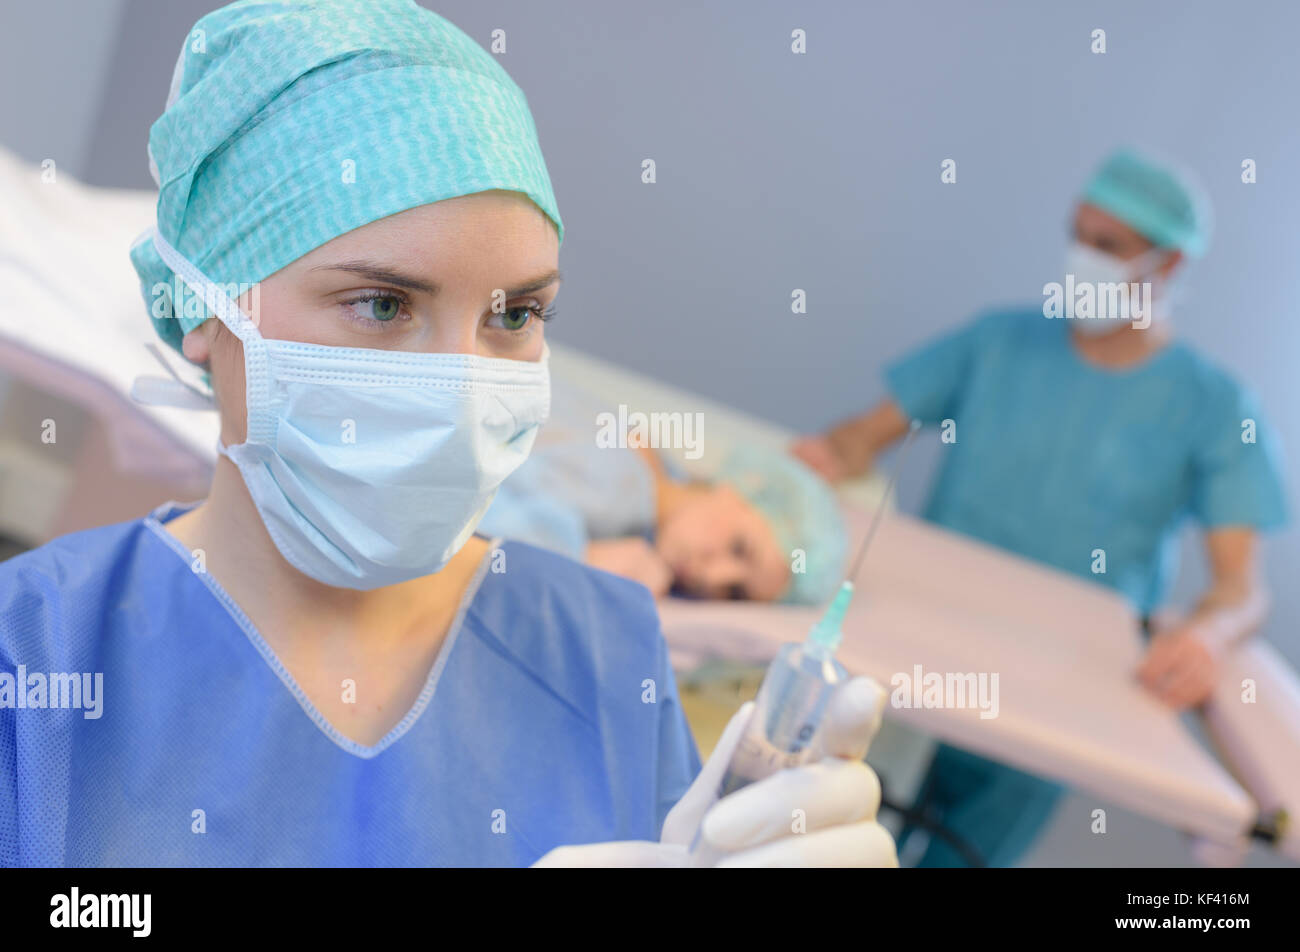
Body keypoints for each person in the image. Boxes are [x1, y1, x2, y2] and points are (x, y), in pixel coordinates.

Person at [0, 0, 895, 867]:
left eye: (515, 314)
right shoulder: (38, 654)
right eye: (383, 304)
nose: (463, 387)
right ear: (206, 306)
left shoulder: (604, 646)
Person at [793, 148, 1288, 867]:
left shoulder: (1213, 408)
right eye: (1078, 236)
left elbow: (1242, 587)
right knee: (828, 835)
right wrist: (820, 461)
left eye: (1109, 246)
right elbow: (859, 440)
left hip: (1058, 688)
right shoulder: (998, 342)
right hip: (916, 640)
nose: (1083, 258)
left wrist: (1208, 638)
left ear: (1170, 264)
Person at [478, 381, 848, 603]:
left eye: (735, 593)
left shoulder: (650, 468)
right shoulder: (620, 487)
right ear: (746, 485)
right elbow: (453, 502)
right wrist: (577, 556)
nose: (713, 578)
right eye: (740, 548)